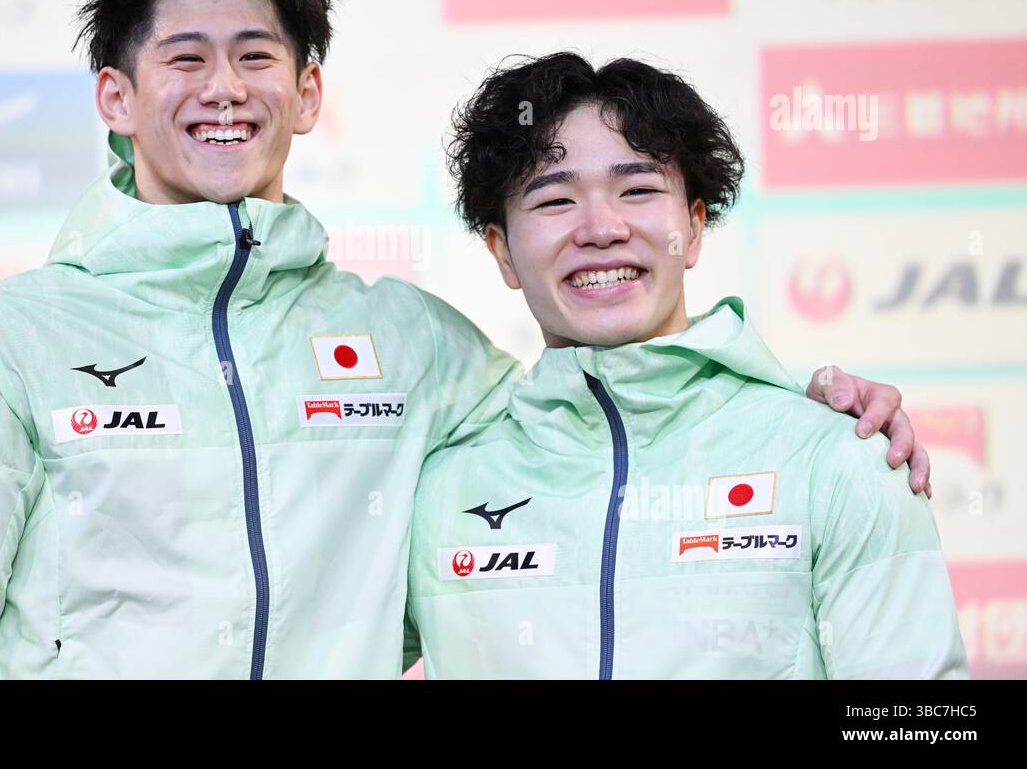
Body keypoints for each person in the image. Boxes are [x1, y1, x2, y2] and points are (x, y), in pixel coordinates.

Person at [0, 0, 929, 679]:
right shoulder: (6, 339)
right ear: (116, 95)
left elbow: (608, 412)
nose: (225, 88)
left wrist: (808, 398)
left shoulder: (408, 345)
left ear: (309, 91)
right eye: (185, 58)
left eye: (256, 55)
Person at [405, 53, 967, 678]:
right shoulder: (435, 488)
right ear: (502, 251)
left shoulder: (838, 459)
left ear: (694, 228)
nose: (600, 228)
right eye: (555, 200)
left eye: (637, 189)